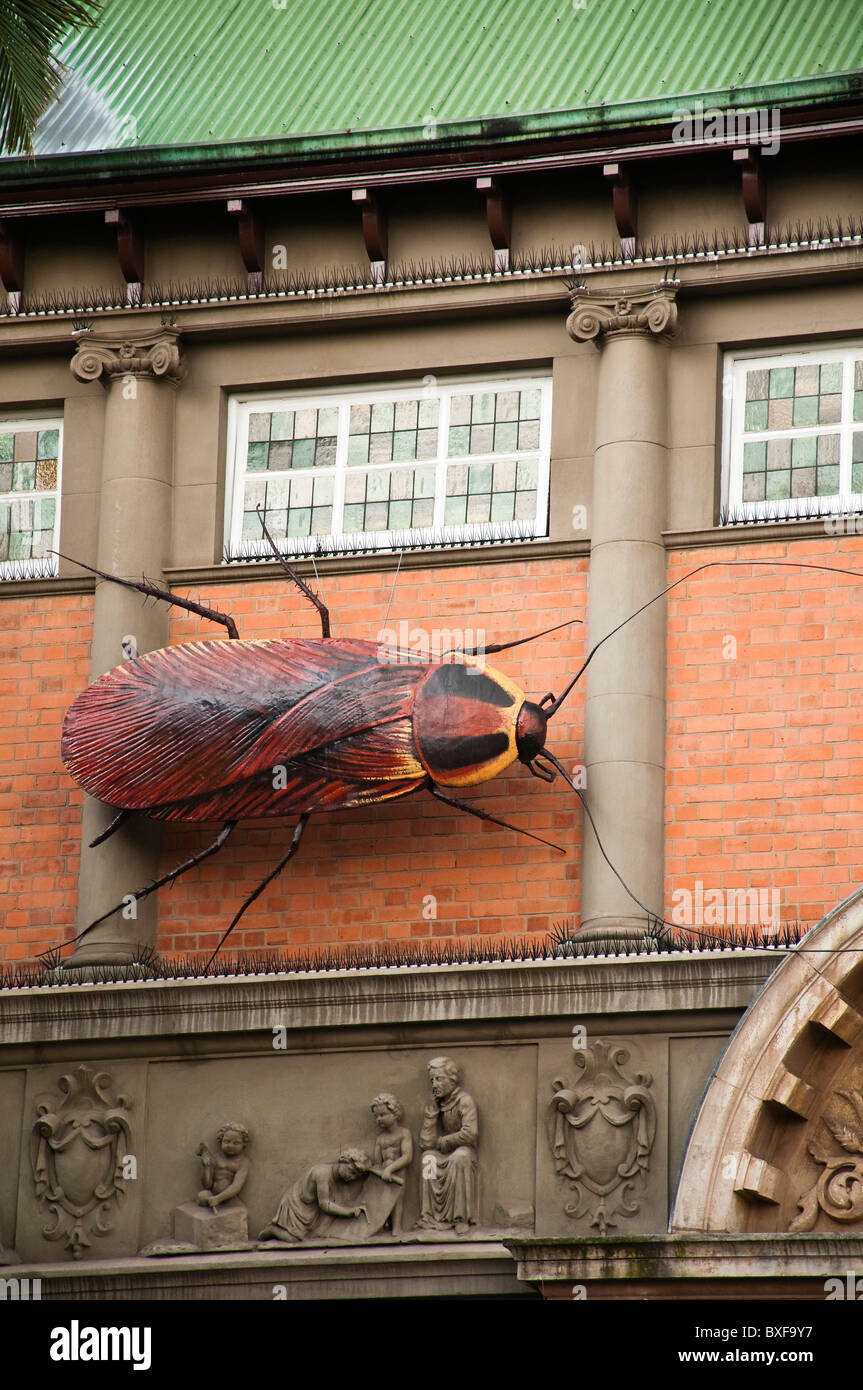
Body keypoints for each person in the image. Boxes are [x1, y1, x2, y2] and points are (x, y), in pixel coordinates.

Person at [417, 1057, 478, 1235]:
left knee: (460, 1158)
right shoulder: (436, 1105)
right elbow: (426, 1143)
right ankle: (428, 1215)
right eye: (432, 1080)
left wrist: (445, 1141)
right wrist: (431, 1114)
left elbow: (470, 1132)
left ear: (452, 1080)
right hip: (443, 1153)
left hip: (464, 1151)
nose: (434, 1084)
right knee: (427, 1159)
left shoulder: (464, 1100)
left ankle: (461, 1218)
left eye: (439, 1079)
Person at [259, 1149, 370, 1243]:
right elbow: (324, 1204)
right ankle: (272, 1230)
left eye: (356, 1176)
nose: (352, 1177)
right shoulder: (322, 1173)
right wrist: (348, 1212)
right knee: (295, 1238)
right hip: (296, 1205)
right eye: (351, 1171)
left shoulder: (336, 1178)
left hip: (310, 1209)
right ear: (343, 1161)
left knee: (322, 1229)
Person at [370, 1093, 413, 1234]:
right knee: (383, 1200)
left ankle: (397, 1228)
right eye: (376, 1116)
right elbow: (377, 1161)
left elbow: (407, 1156)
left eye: (382, 1115)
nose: (378, 1119)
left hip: (397, 1172)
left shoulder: (403, 1133)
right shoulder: (380, 1139)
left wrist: (390, 1169)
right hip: (383, 1174)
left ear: (395, 1114)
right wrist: (379, 1171)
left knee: (397, 1201)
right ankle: (384, 1225)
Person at [195, 1122, 250, 1209]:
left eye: (236, 1143)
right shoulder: (216, 1158)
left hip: (229, 1198)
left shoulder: (243, 1162)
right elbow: (207, 1185)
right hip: (212, 1194)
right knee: (202, 1196)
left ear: (244, 1145)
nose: (230, 1146)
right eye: (226, 1141)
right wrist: (207, 1168)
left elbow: (237, 1186)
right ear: (220, 1141)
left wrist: (218, 1199)